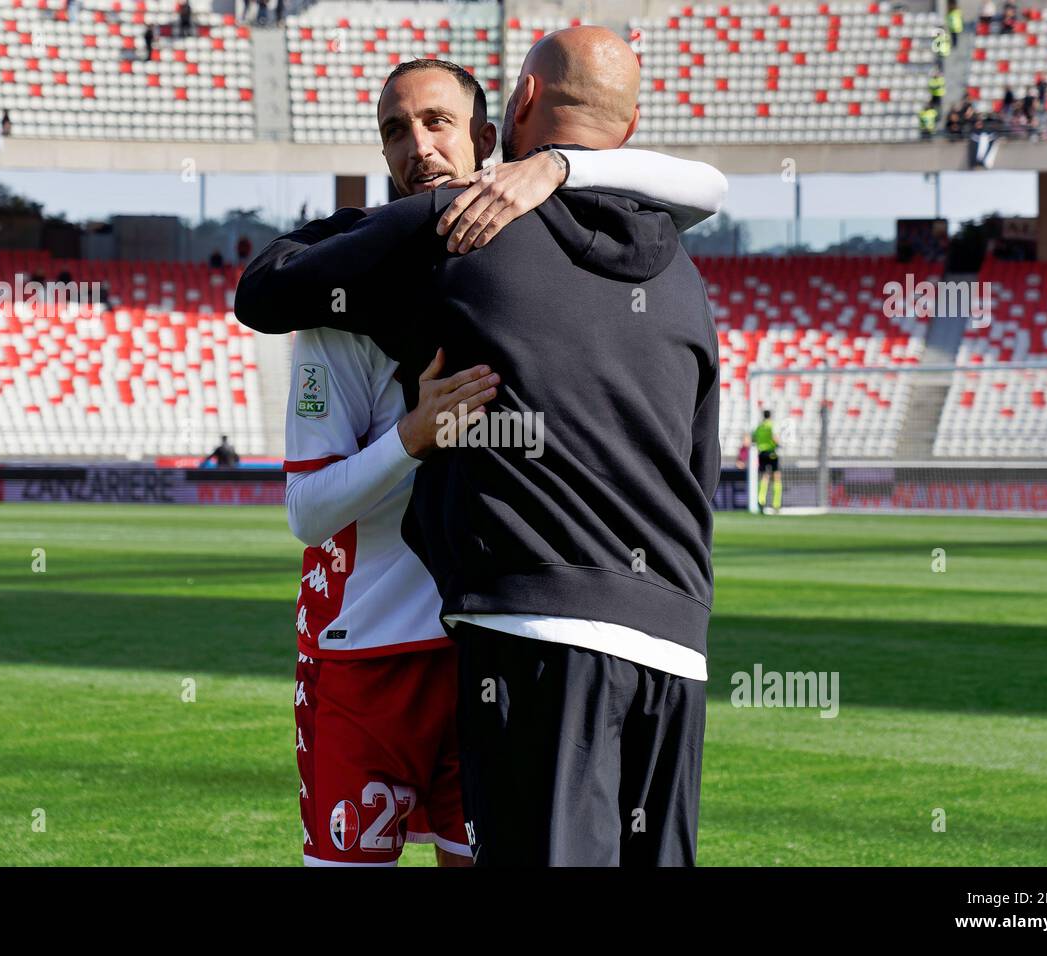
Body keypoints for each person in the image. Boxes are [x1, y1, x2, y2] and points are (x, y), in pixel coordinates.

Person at [236, 27, 723, 867]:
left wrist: (559, 167)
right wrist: (412, 439)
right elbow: (306, 507)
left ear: (497, 131)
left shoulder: (462, 251)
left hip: (501, 640)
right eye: (395, 129)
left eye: (438, 123)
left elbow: (263, 290)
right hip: (408, 646)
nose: (418, 147)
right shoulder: (674, 267)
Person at [752, 410, 782, 514]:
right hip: (772, 453)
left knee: (764, 477)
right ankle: (776, 504)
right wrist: (779, 444)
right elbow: (775, 438)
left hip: (762, 453)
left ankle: (761, 500)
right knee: (776, 477)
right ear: (770, 416)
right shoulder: (771, 425)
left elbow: (753, 439)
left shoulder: (759, 427)